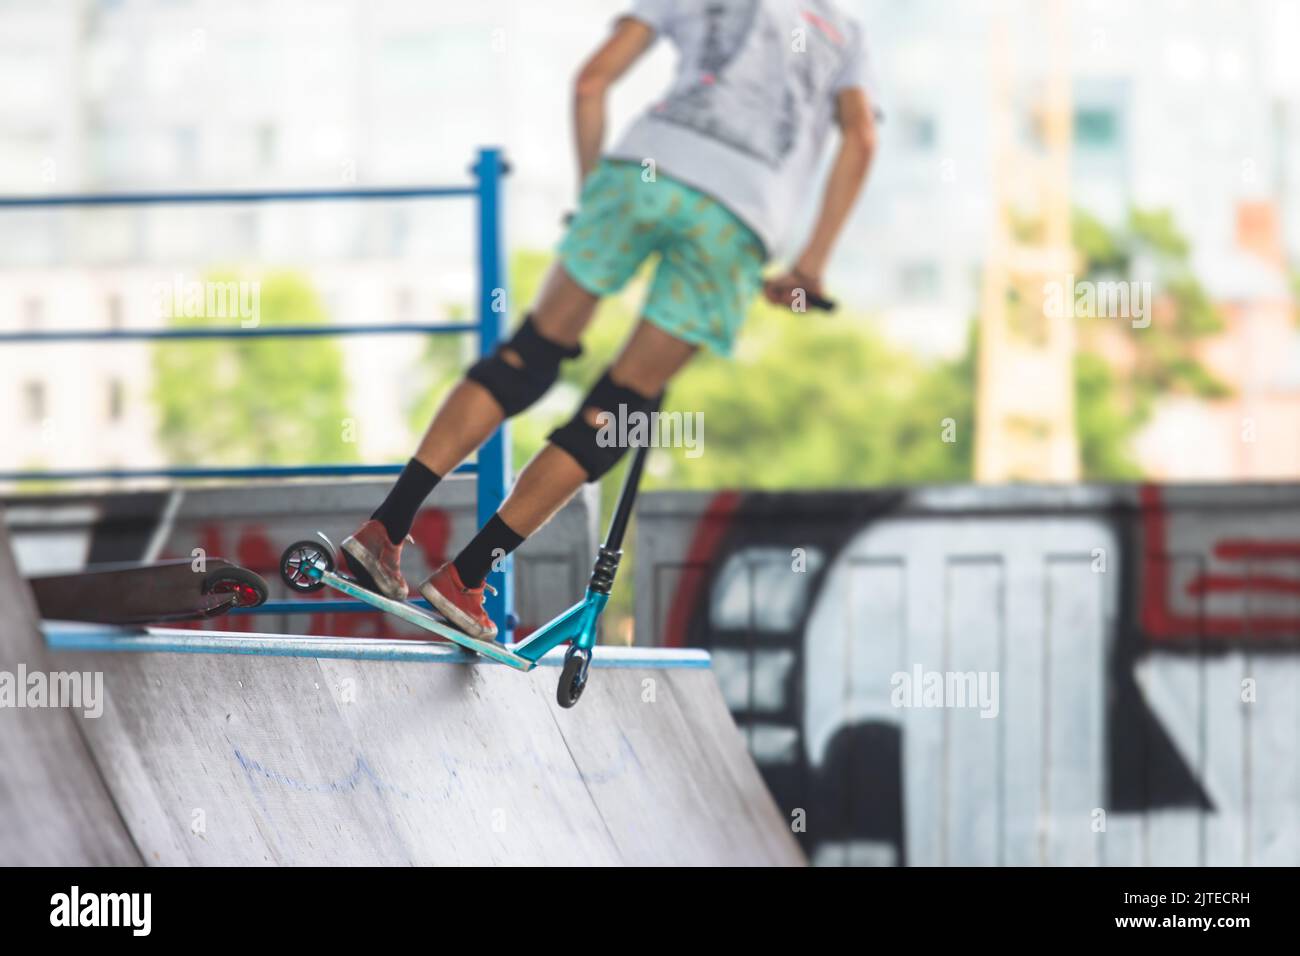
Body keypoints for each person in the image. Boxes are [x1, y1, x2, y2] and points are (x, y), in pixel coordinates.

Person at [343, 0, 881, 640]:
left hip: (639, 171)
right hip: (738, 216)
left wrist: (595, 192)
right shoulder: (846, 32)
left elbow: (591, 83)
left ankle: (385, 527)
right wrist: (810, 266)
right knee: (618, 409)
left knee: (529, 355)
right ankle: (466, 580)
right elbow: (862, 136)